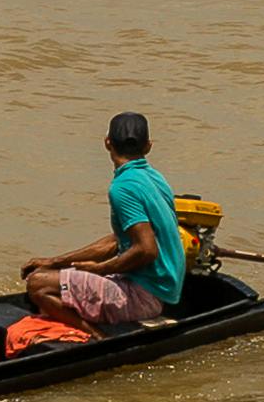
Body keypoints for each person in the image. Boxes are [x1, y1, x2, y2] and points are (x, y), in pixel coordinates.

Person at [23, 111, 187, 332]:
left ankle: (94, 335)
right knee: (48, 274)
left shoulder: (123, 187)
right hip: (160, 291)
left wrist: (100, 270)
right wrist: (54, 262)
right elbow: (116, 241)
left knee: (37, 284)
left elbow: (147, 249)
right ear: (148, 146)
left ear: (107, 143)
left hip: (143, 297)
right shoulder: (154, 178)